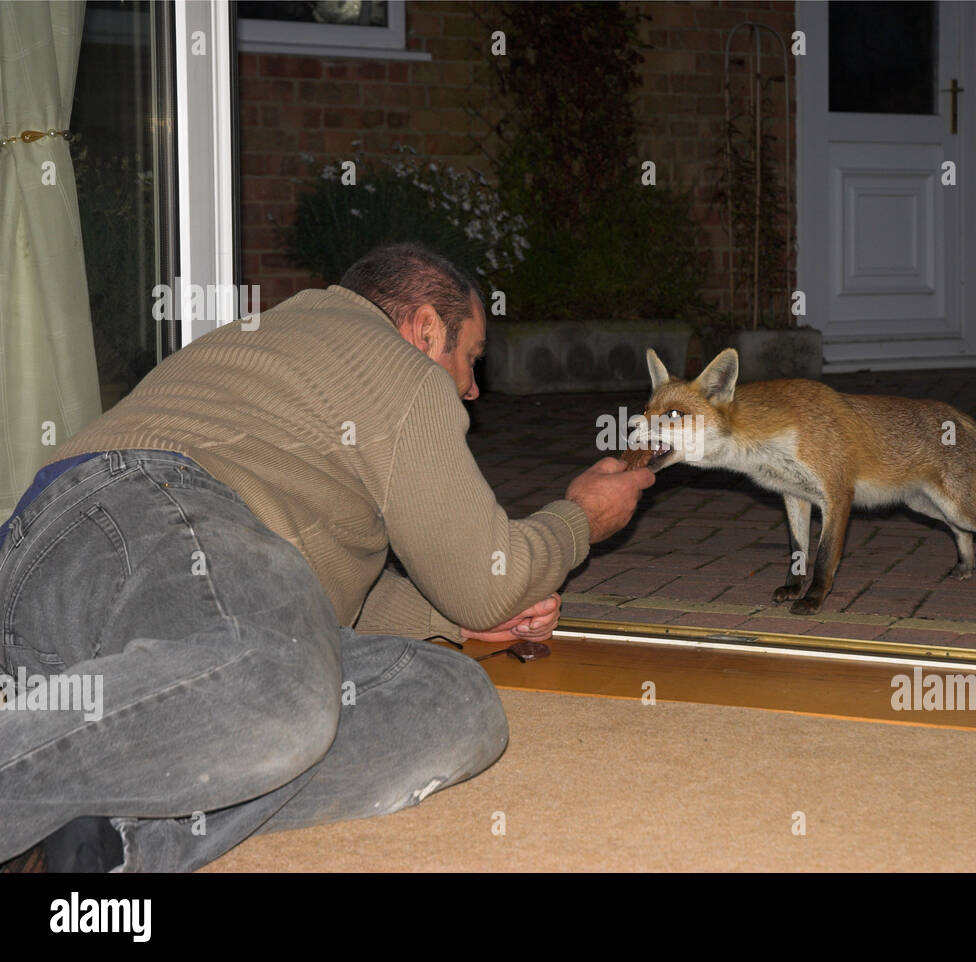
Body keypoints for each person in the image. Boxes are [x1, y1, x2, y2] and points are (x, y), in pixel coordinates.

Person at [0, 242, 654, 872]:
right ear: (426, 329)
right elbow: (489, 581)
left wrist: (452, 625)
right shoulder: (392, 364)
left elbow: (324, 595)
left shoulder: (288, 360)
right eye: (471, 358)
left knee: (451, 705)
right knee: (277, 685)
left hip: (88, 600)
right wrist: (581, 520)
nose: (473, 389)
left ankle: (93, 846)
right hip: (141, 510)